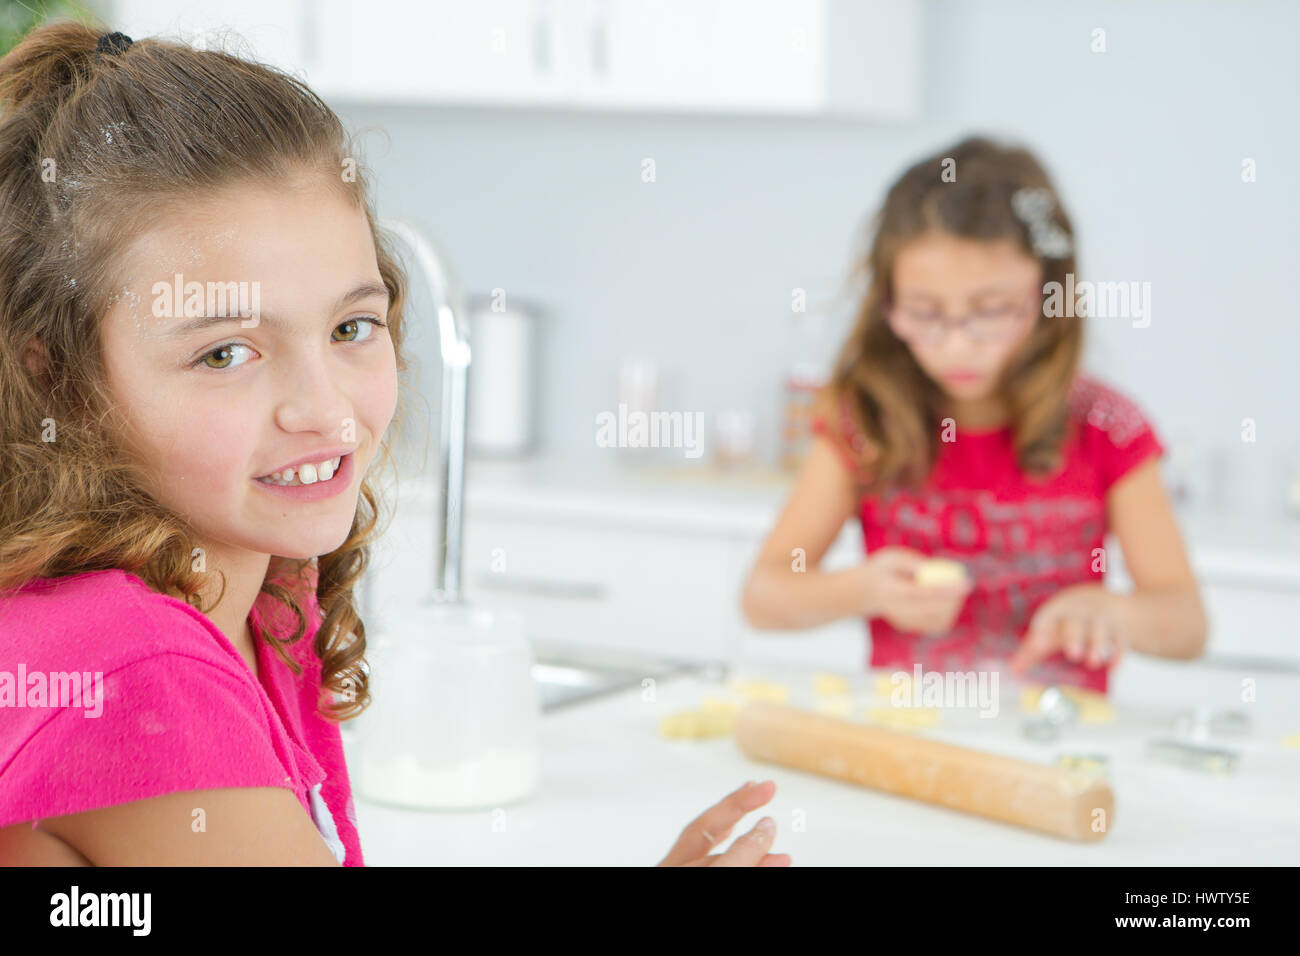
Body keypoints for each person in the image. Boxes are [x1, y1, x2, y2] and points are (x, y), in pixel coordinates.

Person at [0, 21, 788, 867]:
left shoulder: (268, 599)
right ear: (57, 381)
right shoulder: (130, 669)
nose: (325, 407)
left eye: (352, 326)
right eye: (225, 353)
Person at [742, 136, 1206, 694]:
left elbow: (1187, 623)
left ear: (1048, 294)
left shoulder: (1108, 428)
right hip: (913, 733)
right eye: (926, 313)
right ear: (887, 303)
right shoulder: (864, 423)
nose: (958, 346)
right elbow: (764, 595)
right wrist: (860, 591)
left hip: (1058, 742)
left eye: (991, 311)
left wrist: (1113, 612)